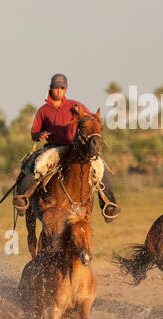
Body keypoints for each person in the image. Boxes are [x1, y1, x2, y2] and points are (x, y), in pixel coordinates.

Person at [12, 74, 119, 220]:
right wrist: (39, 135)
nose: (58, 91)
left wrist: (81, 114)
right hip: (54, 148)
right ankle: (22, 198)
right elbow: (34, 133)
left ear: (66, 89)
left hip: (74, 147)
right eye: (56, 88)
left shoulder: (74, 106)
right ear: (51, 88)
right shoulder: (43, 110)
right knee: (39, 165)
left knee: (99, 167)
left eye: (61, 88)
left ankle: (108, 204)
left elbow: (92, 120)